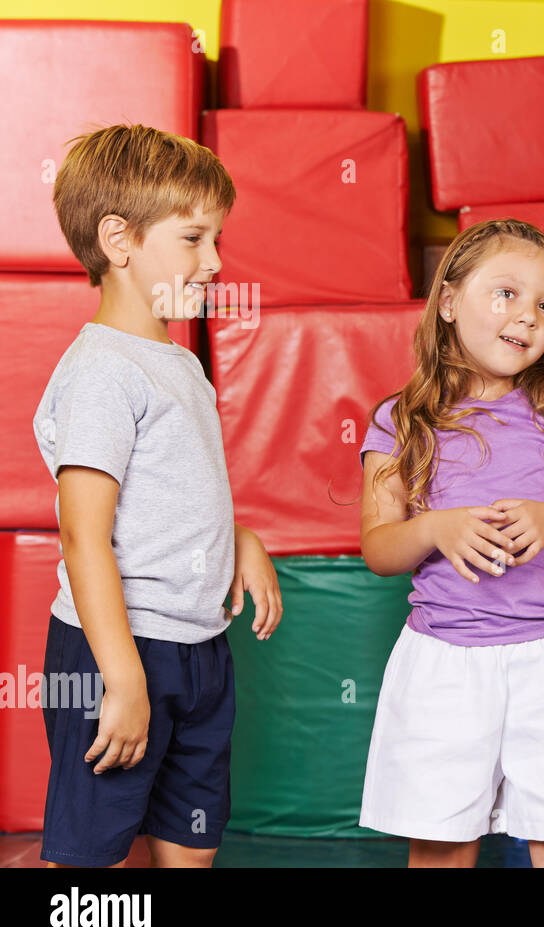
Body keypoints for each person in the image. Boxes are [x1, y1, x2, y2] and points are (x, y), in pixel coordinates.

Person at [34, 124, 282, 868]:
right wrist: (123, 676)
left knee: (191, 840)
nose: (214, 262)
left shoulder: (179, 362)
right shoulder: (104, 371)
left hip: (199, 648)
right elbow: (84, 535)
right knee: (91, 858)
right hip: (118, 646)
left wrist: (242, 540)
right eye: (194, 239)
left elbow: (176, 492)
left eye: (218, 242)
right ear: (120, 239)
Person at [357, 218, 544, 868]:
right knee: (444, 845)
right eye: (506, 293)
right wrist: (432, 529)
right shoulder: (401, 421)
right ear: (448, 301)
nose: (528, 316)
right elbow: (378, 548)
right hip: (445, 664)